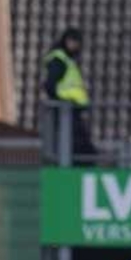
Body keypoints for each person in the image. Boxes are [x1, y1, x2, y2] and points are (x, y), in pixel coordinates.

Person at [43, 27, 98, 164]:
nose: (75, 46)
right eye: (73, 42)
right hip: (65, 112)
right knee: (79, 148)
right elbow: (50, 86)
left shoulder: (67, 61)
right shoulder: (59, 60)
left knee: (81, 148)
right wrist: (63, 101)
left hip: (71, 112)